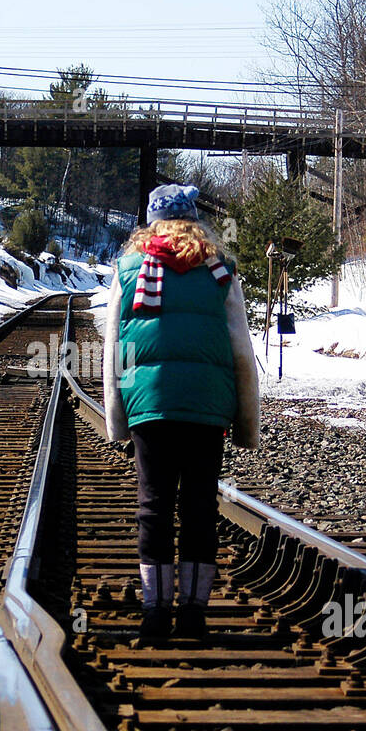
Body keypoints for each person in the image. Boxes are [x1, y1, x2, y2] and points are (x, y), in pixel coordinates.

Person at [102, 183, 260, 639]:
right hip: (207, 408)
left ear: (152, 222)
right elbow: (241, 350)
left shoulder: (129, 270)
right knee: (199, 506)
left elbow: (115, 350)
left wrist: (119, 414)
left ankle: (155, 612)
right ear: (193, 221)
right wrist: (246, 420)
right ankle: (193, 612)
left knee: (153, 506)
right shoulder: (219, 270)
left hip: (151, 405)